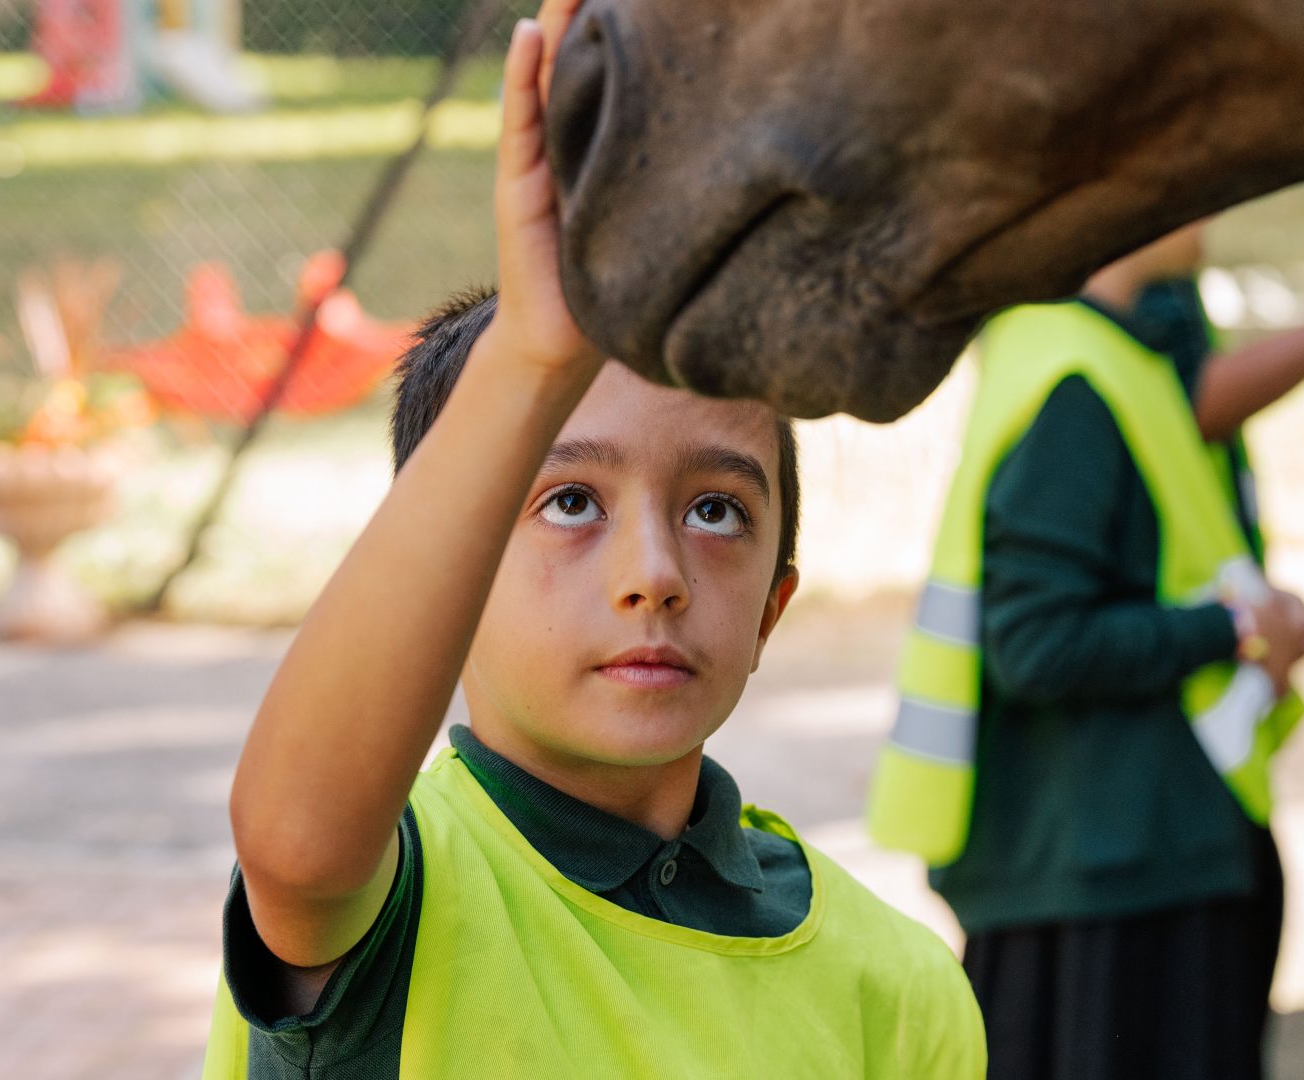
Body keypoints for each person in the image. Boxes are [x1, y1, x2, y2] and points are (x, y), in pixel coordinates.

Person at [197, 5, 986, 1077]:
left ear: (773, 608)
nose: (653, 576)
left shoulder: (898, 986)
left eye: (716, 510)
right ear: (449, 577)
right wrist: (532, 353)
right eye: (569, 502)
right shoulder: (396, 895)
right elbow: (291, 844)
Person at [868, 221, 1304, 1079]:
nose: (1222, 202)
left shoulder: (1123, 350)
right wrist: (1235, 631)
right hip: (1109, 873)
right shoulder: (1076, 377)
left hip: (1147, 853)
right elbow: (1037, 644)